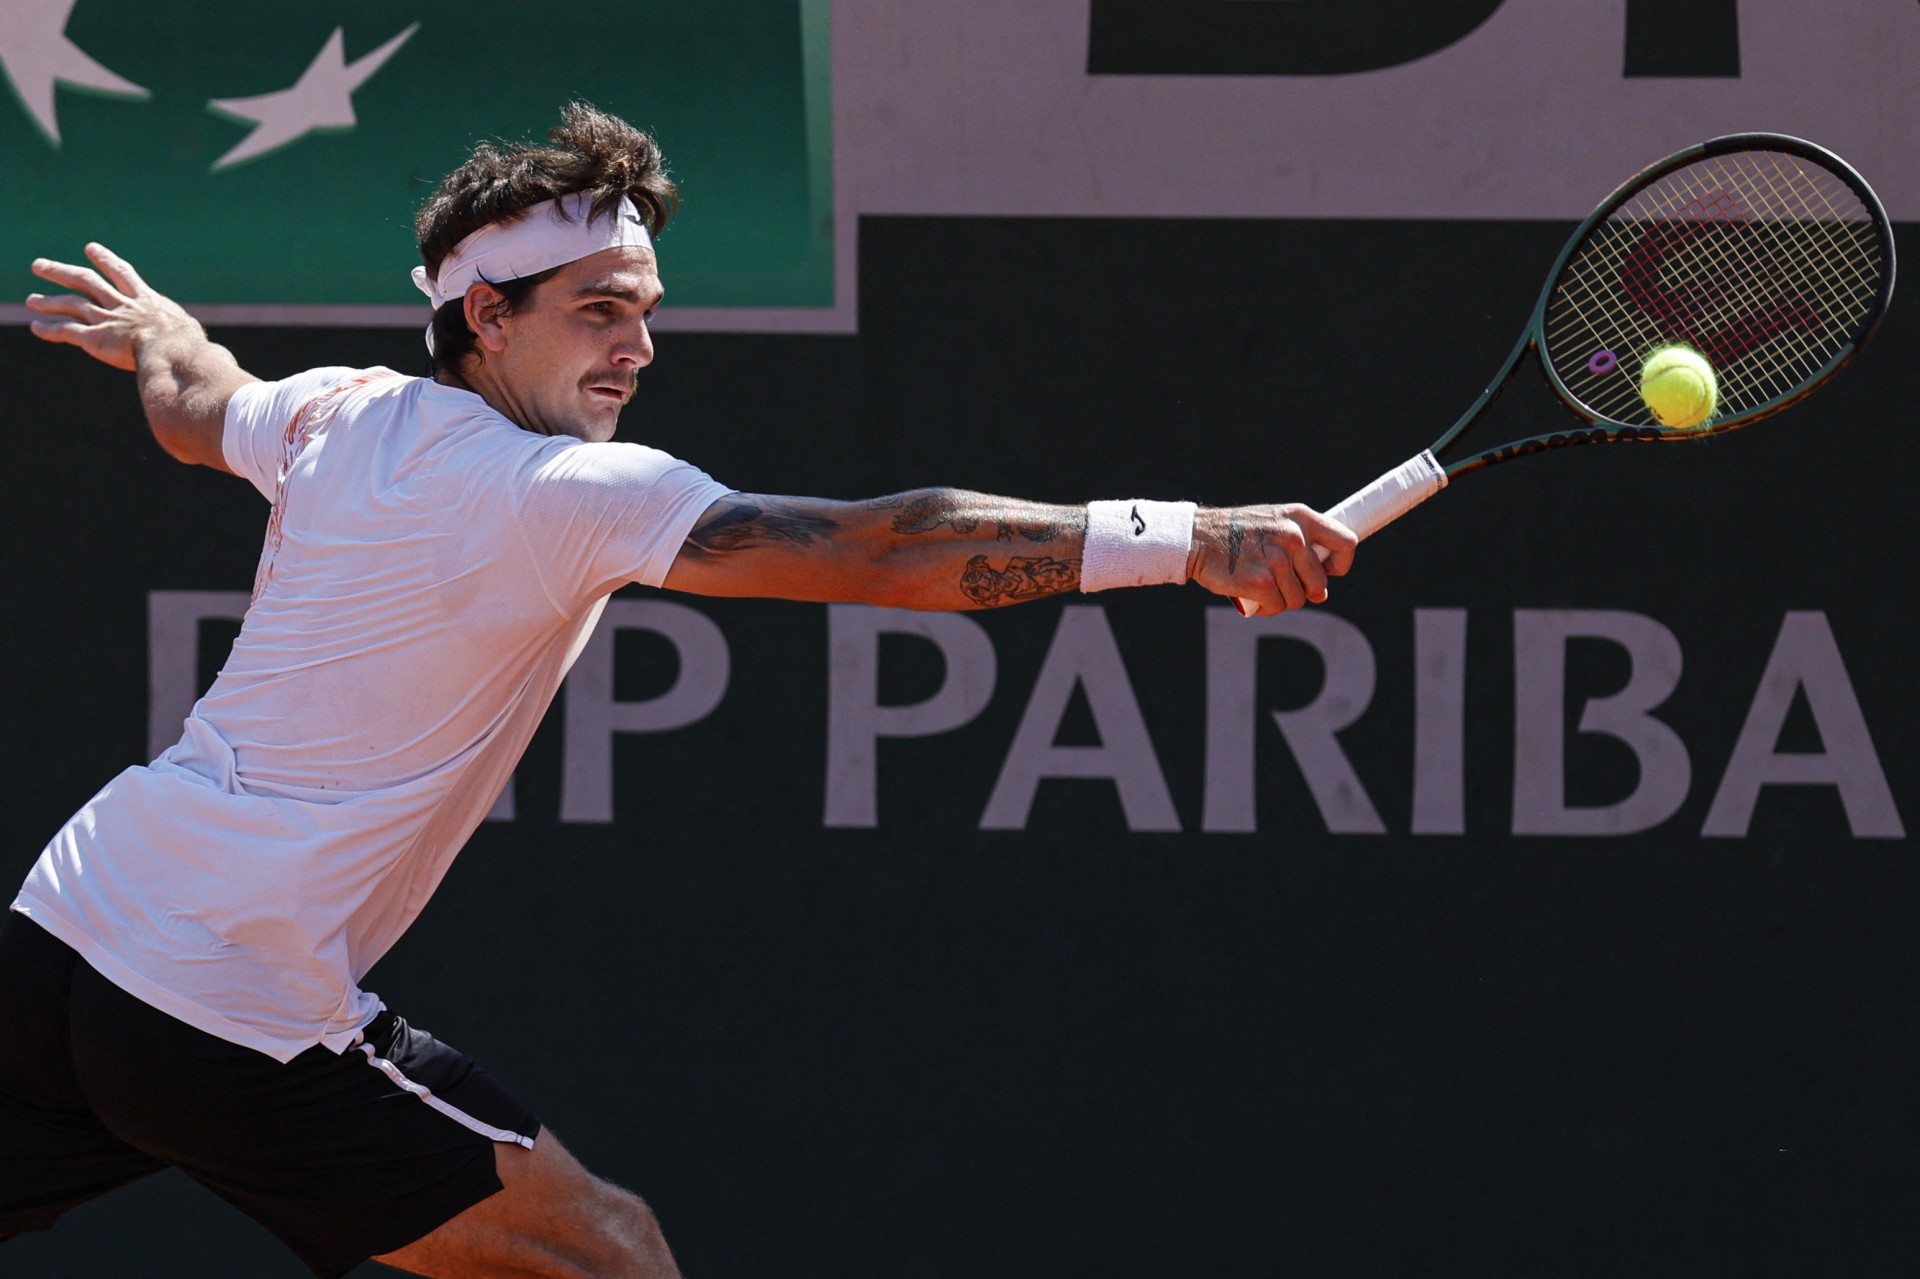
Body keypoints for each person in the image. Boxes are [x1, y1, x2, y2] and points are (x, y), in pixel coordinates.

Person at [0, 103, 1356, 1278]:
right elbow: (888, 548)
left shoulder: (341, 409)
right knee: (607, 1256)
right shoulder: (564, 491)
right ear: (486, 316)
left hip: (70, 917)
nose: (637, 349)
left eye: (645, 313)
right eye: (596, 310)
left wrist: (162, 333)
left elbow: (196, 403)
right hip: (219, 988)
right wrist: (1195, 537)